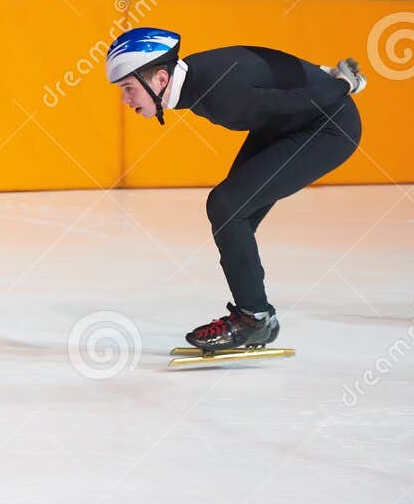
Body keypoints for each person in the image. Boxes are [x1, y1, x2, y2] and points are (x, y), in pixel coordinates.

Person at [105, 27, 365, 351]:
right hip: (285, 125)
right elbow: (262, 59)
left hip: (328, 127)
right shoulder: (200, 73)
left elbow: (292, 97)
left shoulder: (219, 92)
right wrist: (323, 72)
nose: (125, 100)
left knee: (227, 206)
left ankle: (254, 319)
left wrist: (341, 84)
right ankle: (255, 314)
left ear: (160, 79)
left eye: (128, 88)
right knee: (231, 218)